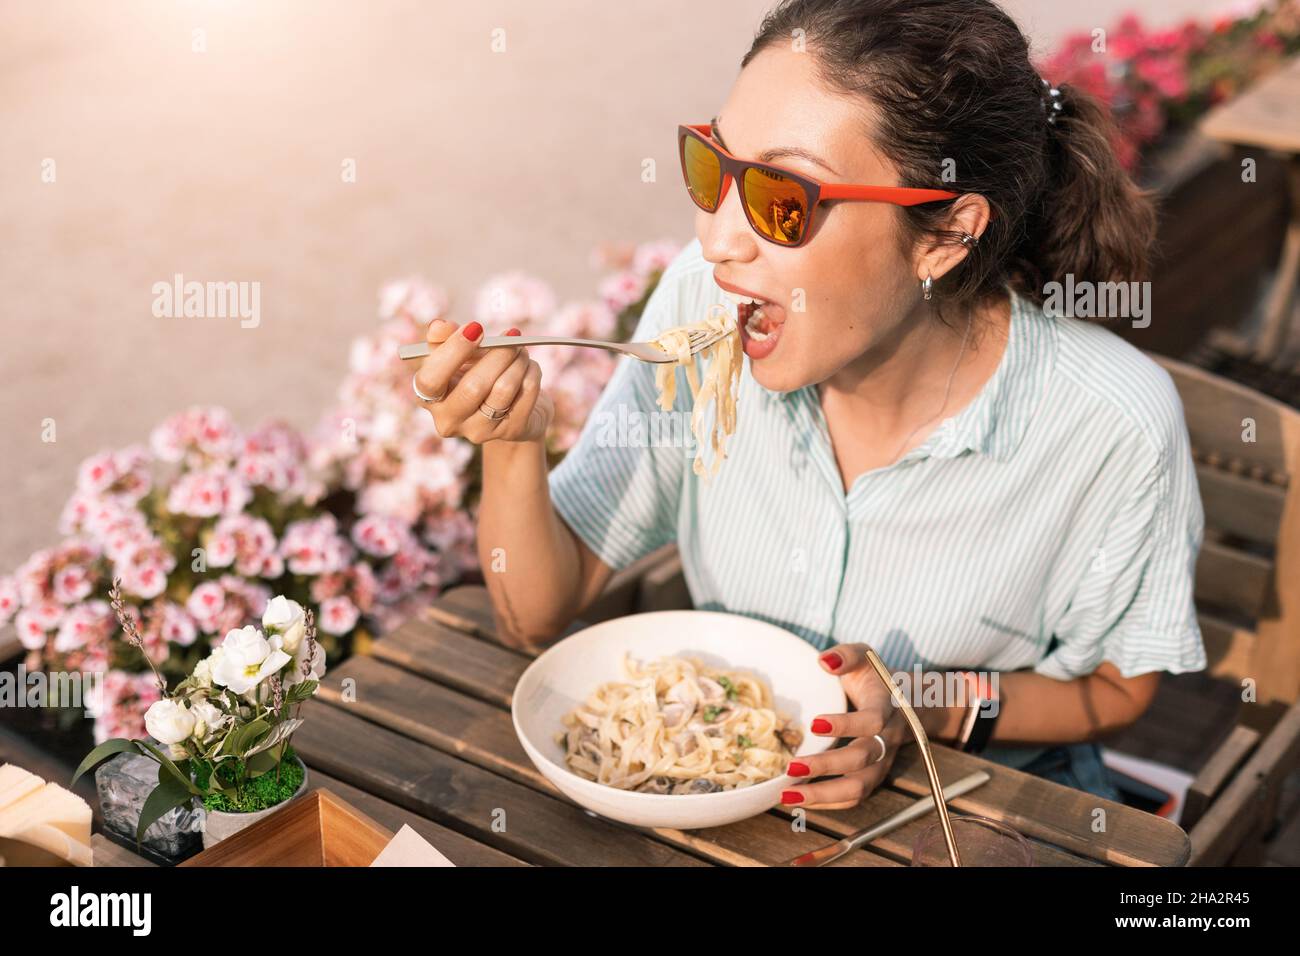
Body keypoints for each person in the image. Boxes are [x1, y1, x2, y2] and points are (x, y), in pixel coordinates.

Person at [411, 0, 1205, 808]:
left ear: (947, 233)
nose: (719, 240)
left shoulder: (1113, 423)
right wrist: (512, 442)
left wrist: (918, 706)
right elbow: (537, 619)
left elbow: (1116, 689)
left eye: (781, 198)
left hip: (976, 811)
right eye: (713, 169)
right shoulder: (700, 307)